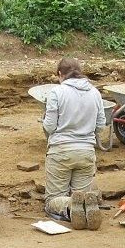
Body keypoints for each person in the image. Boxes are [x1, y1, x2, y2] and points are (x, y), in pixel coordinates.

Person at [42, 57, 105, 230]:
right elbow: (100, 125)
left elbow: (49, 125)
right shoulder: (95, 92)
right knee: (81, 195)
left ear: (60, 74)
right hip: (86, 151)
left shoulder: (57, 92)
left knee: (52, 200)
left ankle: (69, 205)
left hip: (61, 150)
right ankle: (84, 203)